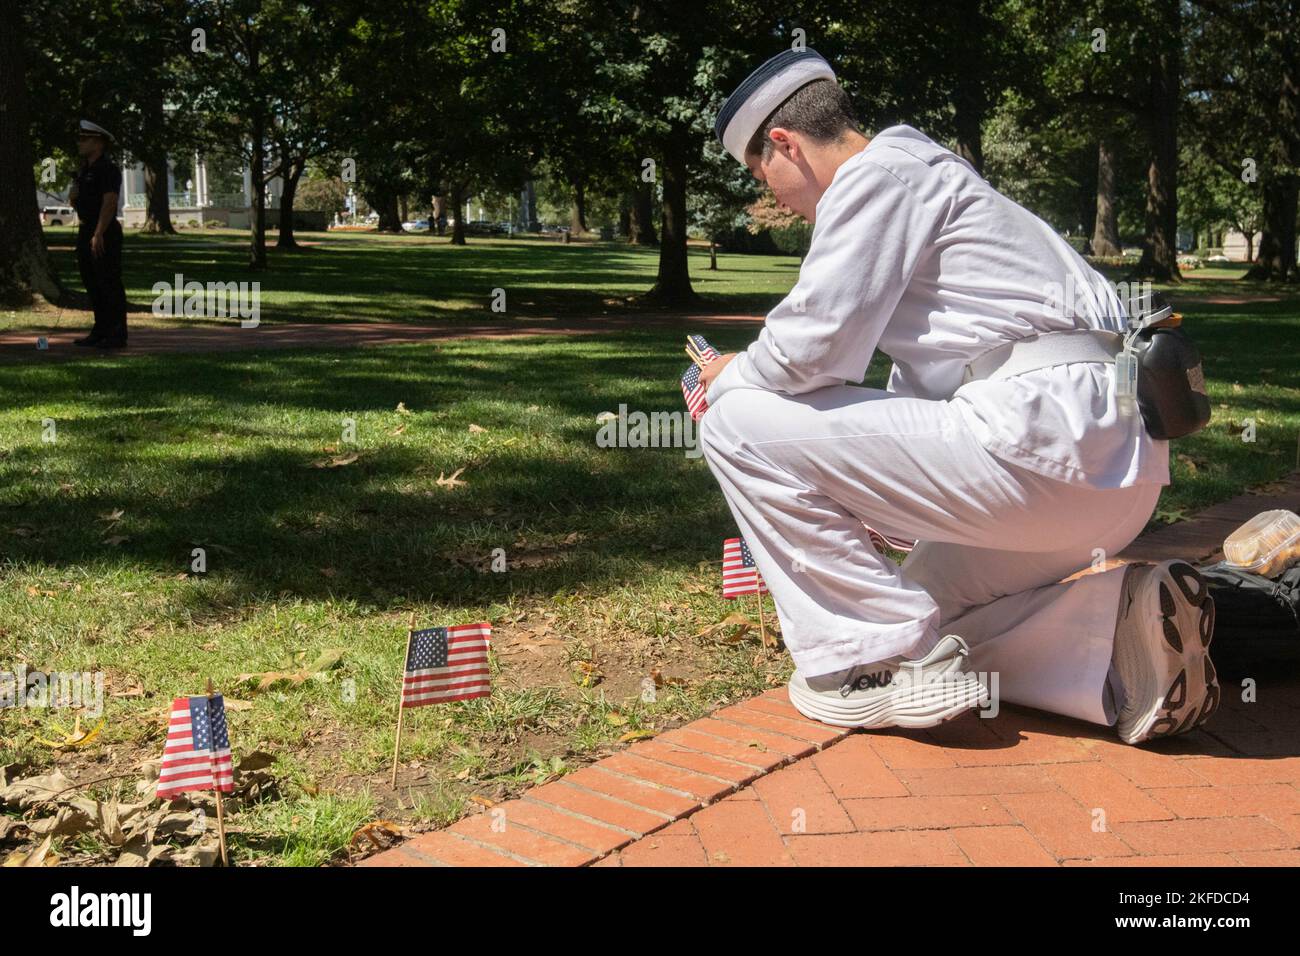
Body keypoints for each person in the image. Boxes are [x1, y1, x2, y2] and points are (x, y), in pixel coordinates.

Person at [698, 50, 1218, 744]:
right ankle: (1119, 633)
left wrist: (725, 376)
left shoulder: (876, 176)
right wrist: (884, 498)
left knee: (735, 422)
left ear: (786, 145)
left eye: (765, 176)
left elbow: (807, 351)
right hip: (1118, 479)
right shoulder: (942, 184)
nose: (780, 203)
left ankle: (873, 666)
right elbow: (915, 399)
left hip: (1039, 448)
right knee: (926, 611)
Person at [70, 120, 128, 349]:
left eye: (85, 139)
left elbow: (109, 201)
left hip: (103, 231)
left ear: (98, 142)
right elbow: (83, 203)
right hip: (86, 230)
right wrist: (74, 197)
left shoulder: (107, 169)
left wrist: (99, 233)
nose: (80, 143)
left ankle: (116, 333)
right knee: (91, 282)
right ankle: (100, 329)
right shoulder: (85, 170)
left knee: (108, 282)